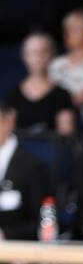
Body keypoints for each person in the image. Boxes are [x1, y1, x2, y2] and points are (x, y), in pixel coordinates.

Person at [5, 33, 75, 135]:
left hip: (52, 149)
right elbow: (6, 132)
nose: (39, 57)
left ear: (52, 55)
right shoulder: (13, 95)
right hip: (21, 149)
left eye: (44, 52)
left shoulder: (62, 95)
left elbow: (66, 136)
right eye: (33, 52)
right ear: (25, 56)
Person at [0, 102, 52, 239]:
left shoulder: (32, 166)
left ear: (9, 122)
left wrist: (5, 234)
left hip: (15, 250)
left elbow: (42, 220)